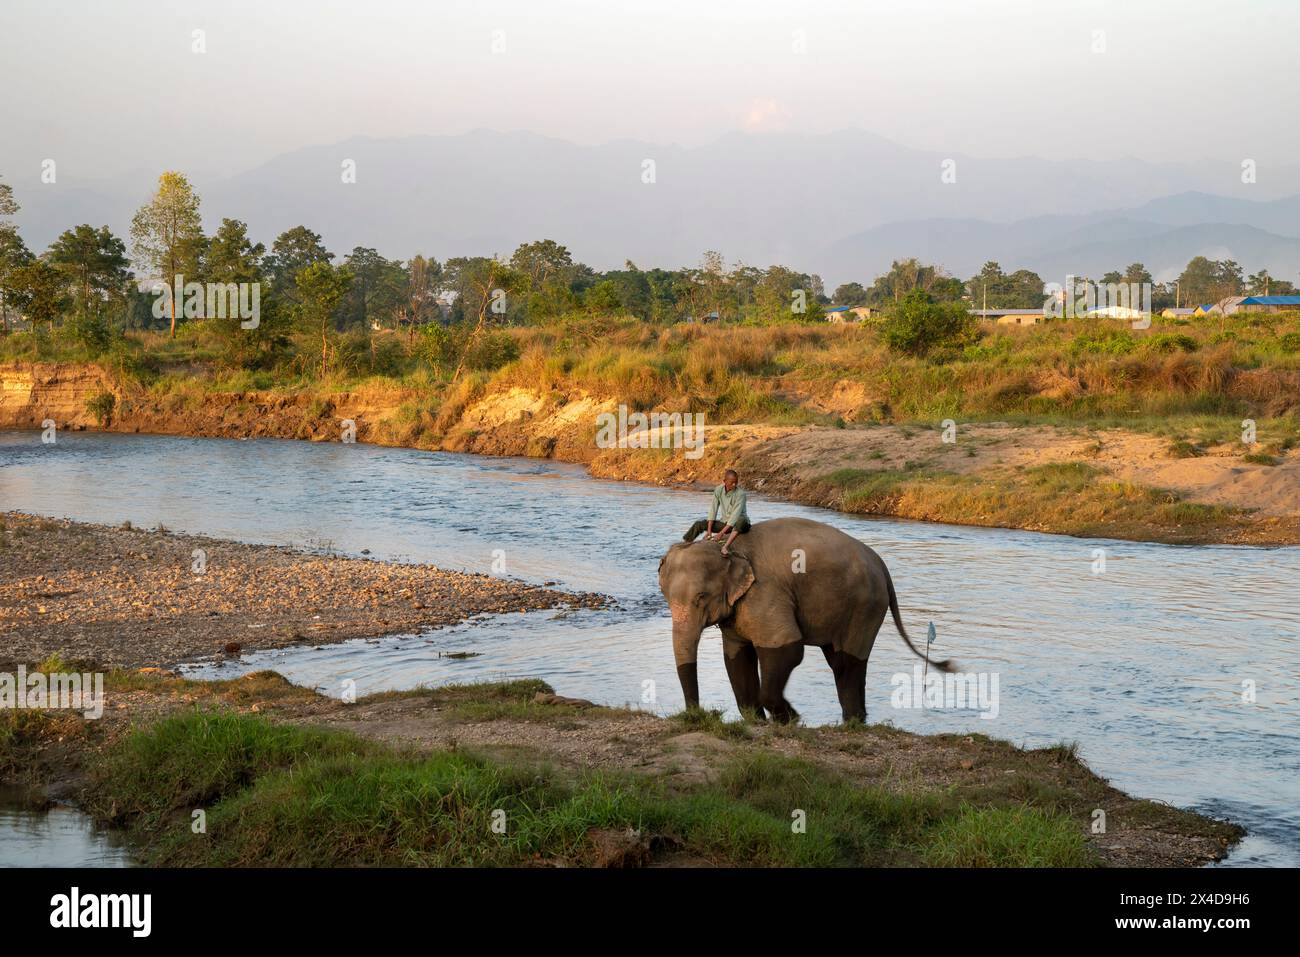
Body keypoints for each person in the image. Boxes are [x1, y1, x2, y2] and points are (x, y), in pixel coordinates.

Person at [682, 469, 750, 555]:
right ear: (724, 481)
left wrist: (721, 534)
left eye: (736, 482)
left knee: (740, 521)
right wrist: (709, 531)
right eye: (732, 482)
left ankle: (725, 547)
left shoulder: (741, 494)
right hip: (725, 523)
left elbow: (734, 517)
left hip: (739, 523)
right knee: (699, 524)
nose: (734, 484)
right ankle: (684, 545)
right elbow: (713, 509)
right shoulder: (718, 490)